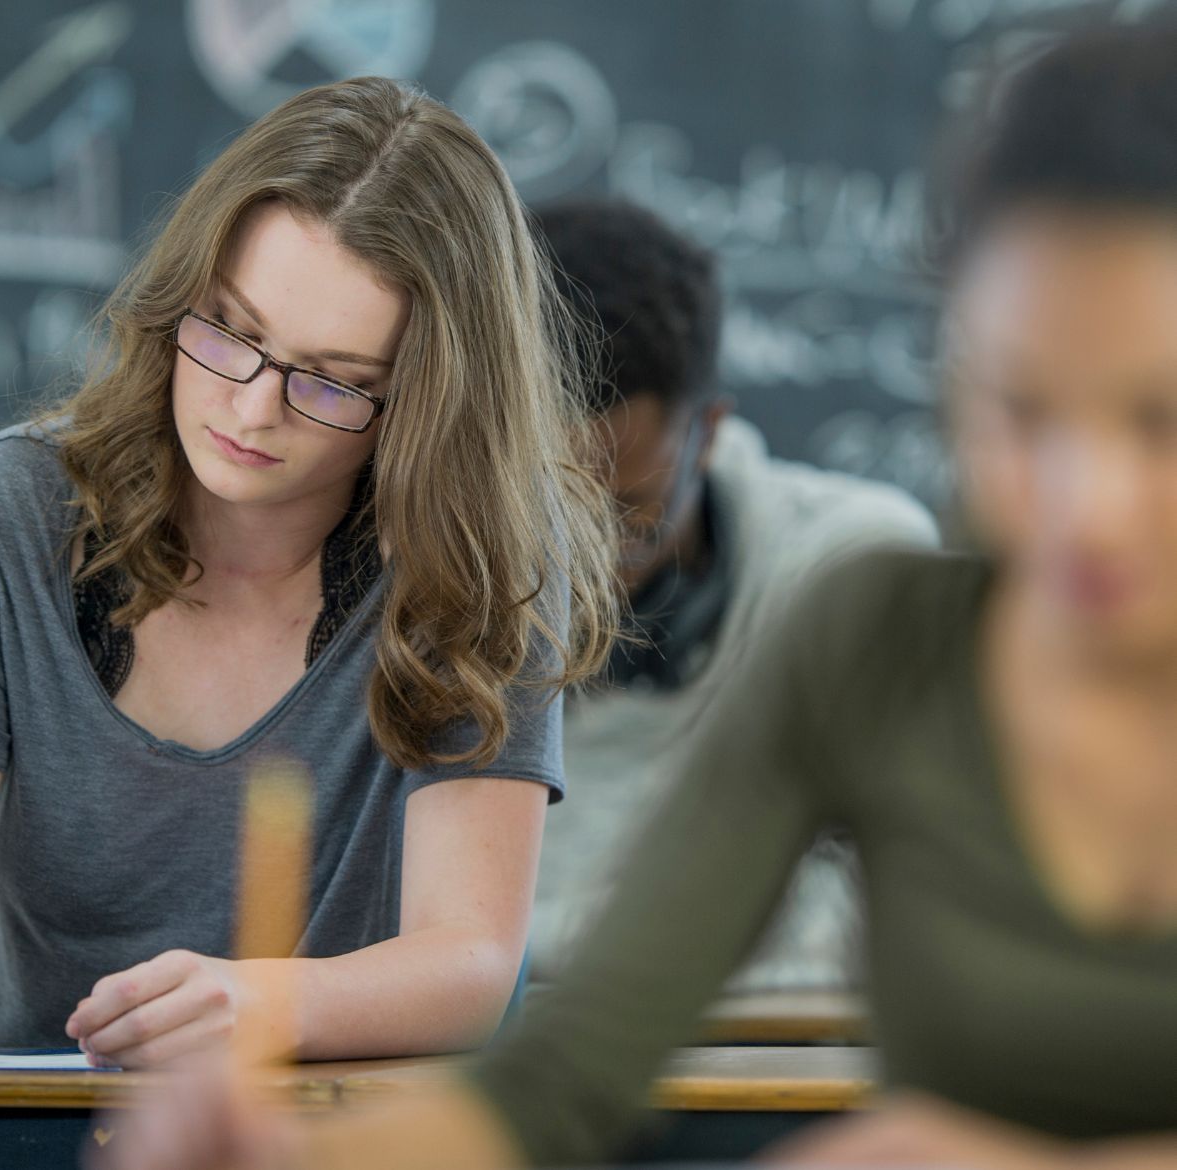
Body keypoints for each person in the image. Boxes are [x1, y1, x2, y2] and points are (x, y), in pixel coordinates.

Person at [103, 20, 1177, 1170]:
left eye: (1160, 421)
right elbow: (559, 1081)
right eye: (1020, 410)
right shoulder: (879, 643)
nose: (1087, 505)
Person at [0, 75, 621, 1070]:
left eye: (335, 382)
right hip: (34, 1130)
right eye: (231, 334)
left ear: (429, 403)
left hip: (324, 1135)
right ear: (177, 295)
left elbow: (471, 963)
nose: (253, 413)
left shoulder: (483, 557)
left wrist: (260, 1004)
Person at [528, 199, 936, 995]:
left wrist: (484, 947)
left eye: (626, 520)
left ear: (707, 433)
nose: (579, 561)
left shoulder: (852, 572)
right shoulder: (393, 579)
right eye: (540, 506)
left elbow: (898, 910)